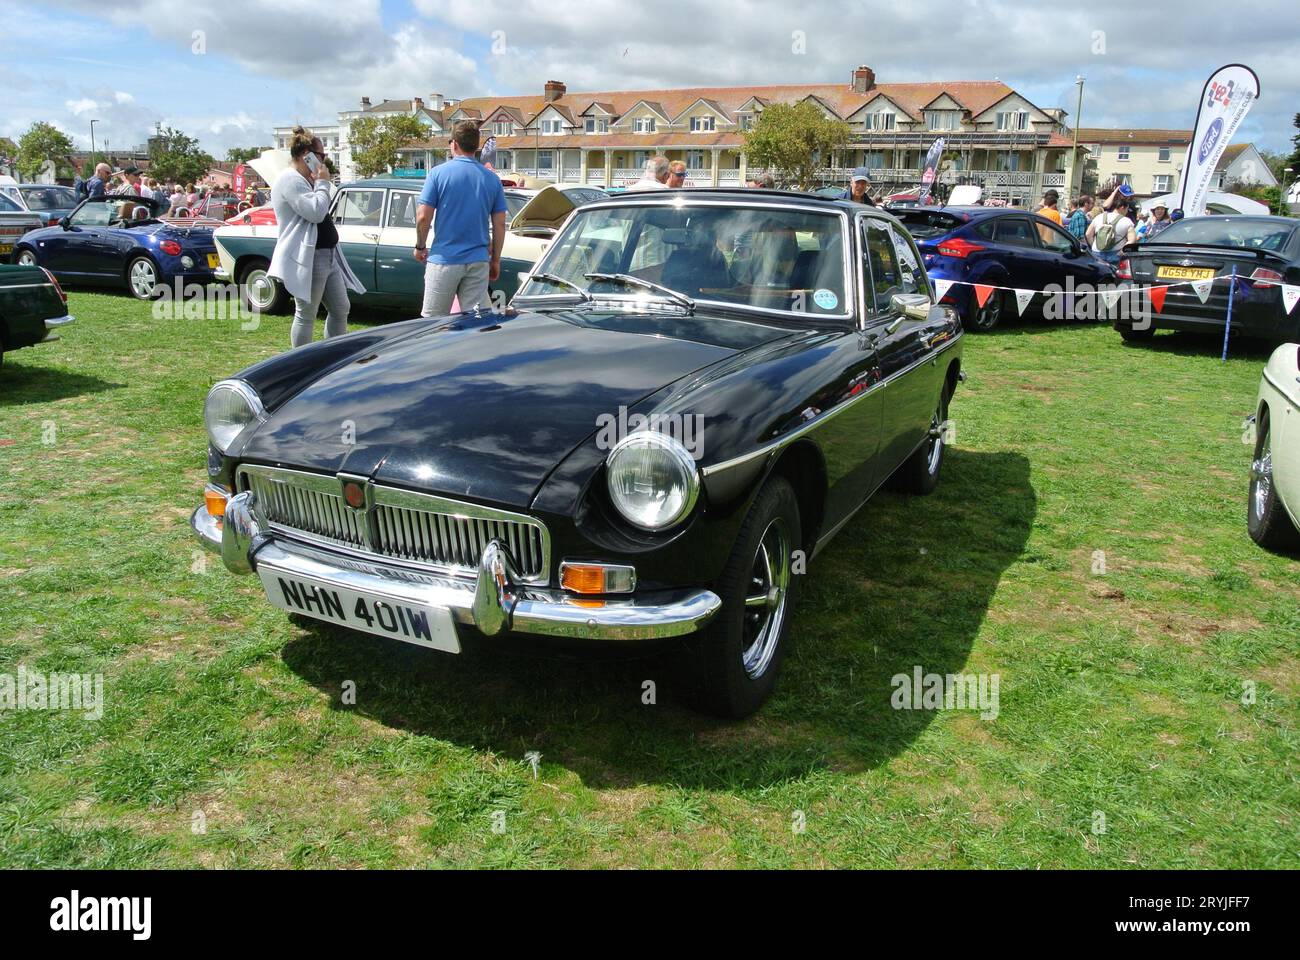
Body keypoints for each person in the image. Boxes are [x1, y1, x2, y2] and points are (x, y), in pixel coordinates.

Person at [269, 126, 365, 347]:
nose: (324, 161)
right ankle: (300, 362)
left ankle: (333, 356)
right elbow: (315, 212)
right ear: (307, 155)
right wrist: (322, 182)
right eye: (321, 155)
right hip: (310, 256)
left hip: (327, 255)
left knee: (341, 308)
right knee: (307, 313)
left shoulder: (305, 180)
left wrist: (320, 182)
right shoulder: (290, 180)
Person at [412, 119, 508, 317]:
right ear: (477, 146)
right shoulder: (492, 179)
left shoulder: (437, 174)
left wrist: (420, 246)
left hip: (444, 260)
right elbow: (499, 223)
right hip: (477, 261)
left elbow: (423, 217)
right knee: (476, 324)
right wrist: (496, 260)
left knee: (431, 325)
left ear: (454, 144)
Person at [1086, 194, 1137, 265]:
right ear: (1122, 207)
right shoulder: (1127, 221)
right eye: (1127, 209)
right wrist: (1122, 251)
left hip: (1097, 252)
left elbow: (1088, 234)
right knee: (1113, 275)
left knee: (1098, 273)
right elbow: (1132, 240)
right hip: (1115, 253)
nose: (1127, 212)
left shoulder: (1099, 217)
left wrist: (1093, 246)